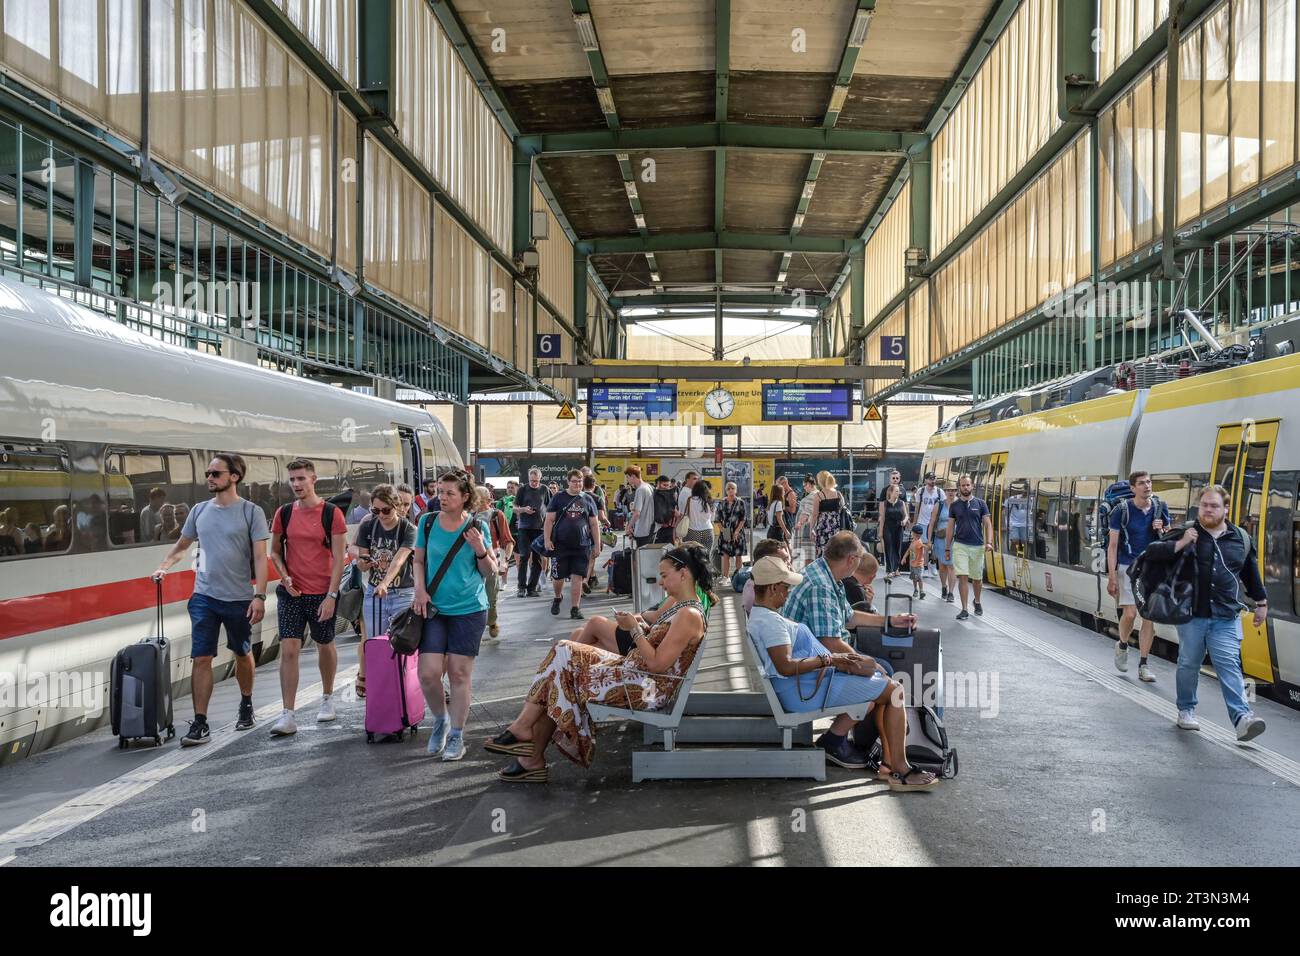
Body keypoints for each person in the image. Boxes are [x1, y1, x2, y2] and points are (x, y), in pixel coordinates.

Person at [488, 546, 712, 782]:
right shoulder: (683, 606)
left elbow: (657, 664)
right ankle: (528, 748)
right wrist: (638, 627)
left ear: (684, 573)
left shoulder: (689, 614)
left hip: (645, 689)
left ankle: (527, 743)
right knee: (562, 660)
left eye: (665, 576)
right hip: (635, 675)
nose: (660, 582)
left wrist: (634, 630)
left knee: (562, 660)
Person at [748, 557, 936, 789]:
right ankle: (900, 767)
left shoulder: (761, 616)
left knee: (885, 688)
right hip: (802, 692)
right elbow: (785, 666)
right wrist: (829, 659)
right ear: (774, 587)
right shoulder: (771, 623)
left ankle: (890, 764)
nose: (787, 593)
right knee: (894, 691)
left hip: (802, 686)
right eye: (785, 588)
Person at [153, 454, 269, 744]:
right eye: (208, 473)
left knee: (242, 653)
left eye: (216, 473)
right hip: (203, 596)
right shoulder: (199, 510)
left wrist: (260, 596)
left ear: (234, 477)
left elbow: (259, 556)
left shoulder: (250, 512)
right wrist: (164, 566)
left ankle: (246, 702)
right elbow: (182, 545)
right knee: (201, 656)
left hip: (238, 598)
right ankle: (200, 722)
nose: (210, 478)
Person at [1143, 485, 1267, 741]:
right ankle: (1186, 709)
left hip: (1226, 615)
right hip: (1191, 614)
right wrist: (1182, 542)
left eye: (1214, 506)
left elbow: (1250, 573)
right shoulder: (1186, 531)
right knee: (1189, 663)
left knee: (1229, 664)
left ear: (1226, 509)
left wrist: (1261, 602)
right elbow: (1153, 552)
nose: (1208, 510)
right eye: (1204, 505)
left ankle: (1242, 718)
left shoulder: (1240, 538)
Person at [412, 470, 497, 760]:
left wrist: (480, 549)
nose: (443, 497)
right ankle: (440, 719)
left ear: (464, 497)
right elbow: (419, 561)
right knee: (428, 673)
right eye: (440, 491)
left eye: (450, 493)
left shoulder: (476, 527)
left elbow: (490, 571)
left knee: (459, 674)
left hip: (469, 609)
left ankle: (457, 736)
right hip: (434, 608)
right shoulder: (426, 522)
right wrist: (419, 590)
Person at [268, 458, 348, 736]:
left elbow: (339, 558)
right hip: (292, 593)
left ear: (314, 479)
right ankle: (287, 714)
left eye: (301, 478)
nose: (296, 484)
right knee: (289, 648)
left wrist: (331, 595)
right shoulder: (284, 513)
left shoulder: (331, 513)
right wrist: (284, 575)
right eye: (292, 479)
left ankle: (327, 698)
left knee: (324, 643)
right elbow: (275, 551)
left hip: (322, 592)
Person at [783, 531, 915, 658]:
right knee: (885, 667)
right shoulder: (821, 586)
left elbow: (849, 617)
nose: (861, 561)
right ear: (851, 559)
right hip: (811, 662)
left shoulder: (825, 573)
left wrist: (891, 620)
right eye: (861, 557)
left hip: (815, 655)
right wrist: (865, 664)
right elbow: (830, 643)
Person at [351, 483, 416, 698]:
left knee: (403, 643)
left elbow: (399, 560)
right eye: (375, 511)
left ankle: (404, 689)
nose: (381, 515)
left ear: (397, 507)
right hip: (374, 594)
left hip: (402, 592)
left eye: (386, 510)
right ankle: (382, 693)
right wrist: (363, 564)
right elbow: (361, 556)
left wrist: (385, 582)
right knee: (376, 645)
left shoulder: (408, 529)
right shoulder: (369, 526)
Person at [1106, 470, 1170, 683]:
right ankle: (1122, 644)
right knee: (1131, 614)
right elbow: (1112, 545)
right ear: (1133, 488)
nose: (1147, 486)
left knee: (1149, 617)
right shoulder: (1121, 511)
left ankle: (1143, 664)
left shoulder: (1160, 508)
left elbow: (1169, 538)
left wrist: (1162, 529)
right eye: (1142, 483)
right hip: (1127, 567)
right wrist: (1112, 576)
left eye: (1149, 482)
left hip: (1152, 568)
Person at [544, 469, 601, 620]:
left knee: (578, 577)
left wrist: (597, 544)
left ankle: (575, 608)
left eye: (580, 481)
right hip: (560, 545)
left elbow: (594, 524)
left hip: (582, 545)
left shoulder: (588, 499)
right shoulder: (558, 498)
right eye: (574, 481)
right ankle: (558, 597)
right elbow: (549, 520)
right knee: (558, 578)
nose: (577, 484)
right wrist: (547, 540)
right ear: (568, 482)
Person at [946, 474, 993, 621]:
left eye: (968, 485)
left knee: (977, 579)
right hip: (960, 545)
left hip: (977, 546)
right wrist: (948, 548)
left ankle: (977, 601)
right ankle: (964, 609)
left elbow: (987, 524)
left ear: (972, 486)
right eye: (963, 485)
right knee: (963, 577)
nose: (965, 487)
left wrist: (989, 542)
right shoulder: (954, 506)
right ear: (959, 487)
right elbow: (950, 527)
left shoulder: (980, 504)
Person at [476, 484, 513, 640]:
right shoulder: (467, 516)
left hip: (493, 558)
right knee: (474, 595)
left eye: (476, 497)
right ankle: (476, 624)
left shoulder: (497, 515)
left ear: (486, 499)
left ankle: (491, 621)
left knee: (491, 594)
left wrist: (505, 560)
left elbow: (508, 540)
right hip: (472, 560)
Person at [513, 468, 549, 597]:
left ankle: (531, 588)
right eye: (531, 481)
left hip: (539, 529)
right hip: (524, 528)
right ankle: (521, 587)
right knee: (524, 557)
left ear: (540, 479)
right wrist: (523, 509)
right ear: (528, 479)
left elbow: (550, 507)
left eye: (536, 481)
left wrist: (549, 526)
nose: (534, 483)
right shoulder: (522, 489)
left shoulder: (544, 489)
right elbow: (514, 508)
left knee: (538, 560)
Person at [742, 537, 792, 614]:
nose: (789, 565)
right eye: (784, 561)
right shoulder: (760, 595)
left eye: (788, 559)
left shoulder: (754, 583)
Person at [928, 484, 957, 602]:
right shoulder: (939, 505)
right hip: (940, 539)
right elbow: (931, 523)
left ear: (956, 491)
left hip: (955, 539)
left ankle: (951, 592)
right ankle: (944, 586)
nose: (951, 492)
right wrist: (929, 540)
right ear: (945, 491)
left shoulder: (960, 504)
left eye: (954, 490)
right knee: (942, 566)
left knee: (951, 565)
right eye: (949, 490)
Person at [580, 472, 607, 594]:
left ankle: (579, 582)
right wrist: (608, 522)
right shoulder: (597, 498)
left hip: (580, 531)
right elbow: (601, 517)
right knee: (591, 558)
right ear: (594, 485)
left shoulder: (578, 497)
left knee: (579, 558)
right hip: (593, 531)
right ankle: (585, 580)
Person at [809, 470, 845, 559]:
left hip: (823, 528)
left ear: (820, 481)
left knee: (823, 552)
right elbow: (842, 509)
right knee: (836, 552)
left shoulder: (819, 495)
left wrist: (811, 529)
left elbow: (814, 515)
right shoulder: (838, 494)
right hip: (836, 527)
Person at [716, 481, 747, 578]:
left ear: (736, 490)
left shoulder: (741, 502)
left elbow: (743, 519)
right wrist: (725, 533)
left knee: (738, 555)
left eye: (733, 488)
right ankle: (725, 577)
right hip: (725, 532)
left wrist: (736, 532)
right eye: (728, 488)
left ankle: (738, 576)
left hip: (738, 532)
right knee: (725, 556)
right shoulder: (722, 503)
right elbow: (717, 520)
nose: (731, 490)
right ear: (726, 491)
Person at [878, 483, 909, 578]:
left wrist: (904, 521)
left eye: (899, 491)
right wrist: (880, 532)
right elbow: (882, 518)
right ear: (890, 492)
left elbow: (906, 515)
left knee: (898, 547)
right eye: (896, 491)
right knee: (889, 548)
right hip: (888, 527)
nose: (898, 493)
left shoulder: (901, 503)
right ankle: (890, 570)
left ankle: (896, 569)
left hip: (899, 527)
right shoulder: (884, 504)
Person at [626, 464, 656, 548]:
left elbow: (637, 513)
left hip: (642, 530)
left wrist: (629, 527)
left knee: (642, 558)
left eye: (627, 477)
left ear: (632, 476)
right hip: (651, 529)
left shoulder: (640, 490)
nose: (627, 480)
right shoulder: (649, 486)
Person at [682, 478, 715, 553]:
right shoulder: (709, 501)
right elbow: (712, 518)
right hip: (708, 530)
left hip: (692, 531)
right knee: (707, 555)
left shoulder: (689, 500)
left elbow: (686, 514)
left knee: (693, 556)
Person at [914, 472, 943, 555]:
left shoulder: (940, 492)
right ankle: (924, 564)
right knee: (923, 545)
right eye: (930, 479)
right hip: (922, 522)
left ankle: (931, 563)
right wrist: (915, 523)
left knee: (934, 544)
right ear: (926, 480)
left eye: (934, 478)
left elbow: (945, 506)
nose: (932, 481)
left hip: (935, 523)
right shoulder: (921, 491)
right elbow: (917, 509)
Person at [1004, 480, 1031, 556]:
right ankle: (1012, 556)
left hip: (1024, 525)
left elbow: (1029, 513)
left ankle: (1020, 556)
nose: (1025, 493)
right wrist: (1008, 524)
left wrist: (1030, 525)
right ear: (1022, 490)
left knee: (1022, 542)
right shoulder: (1013, 498)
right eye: (1024, 490)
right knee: (1015, 540)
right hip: (1014, 524)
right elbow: (1006, 511)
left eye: (1027, 491)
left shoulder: (1030, 500)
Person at [652, 474, 677, 544]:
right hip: (659, 528)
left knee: (670, 550)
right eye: (664, 485)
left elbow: (673, 507)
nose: (666, 487)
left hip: (671, 527)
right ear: (658, 484)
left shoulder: (671, 494)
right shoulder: (654, 495)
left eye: (668, 485)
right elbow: (658, 510)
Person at [908, 525, 929, 600]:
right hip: (912, 564)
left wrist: (927, 546)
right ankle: (915, 590)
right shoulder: (913, 541)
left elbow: (923, 545)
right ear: (913, 533)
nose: (917, 536)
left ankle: (921, 591)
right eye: (916, 534)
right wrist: (904, 558)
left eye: (919, 535)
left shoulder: (919, 542)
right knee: (914, 578)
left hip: (919, 564)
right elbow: (909, 550)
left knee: (919, 578)